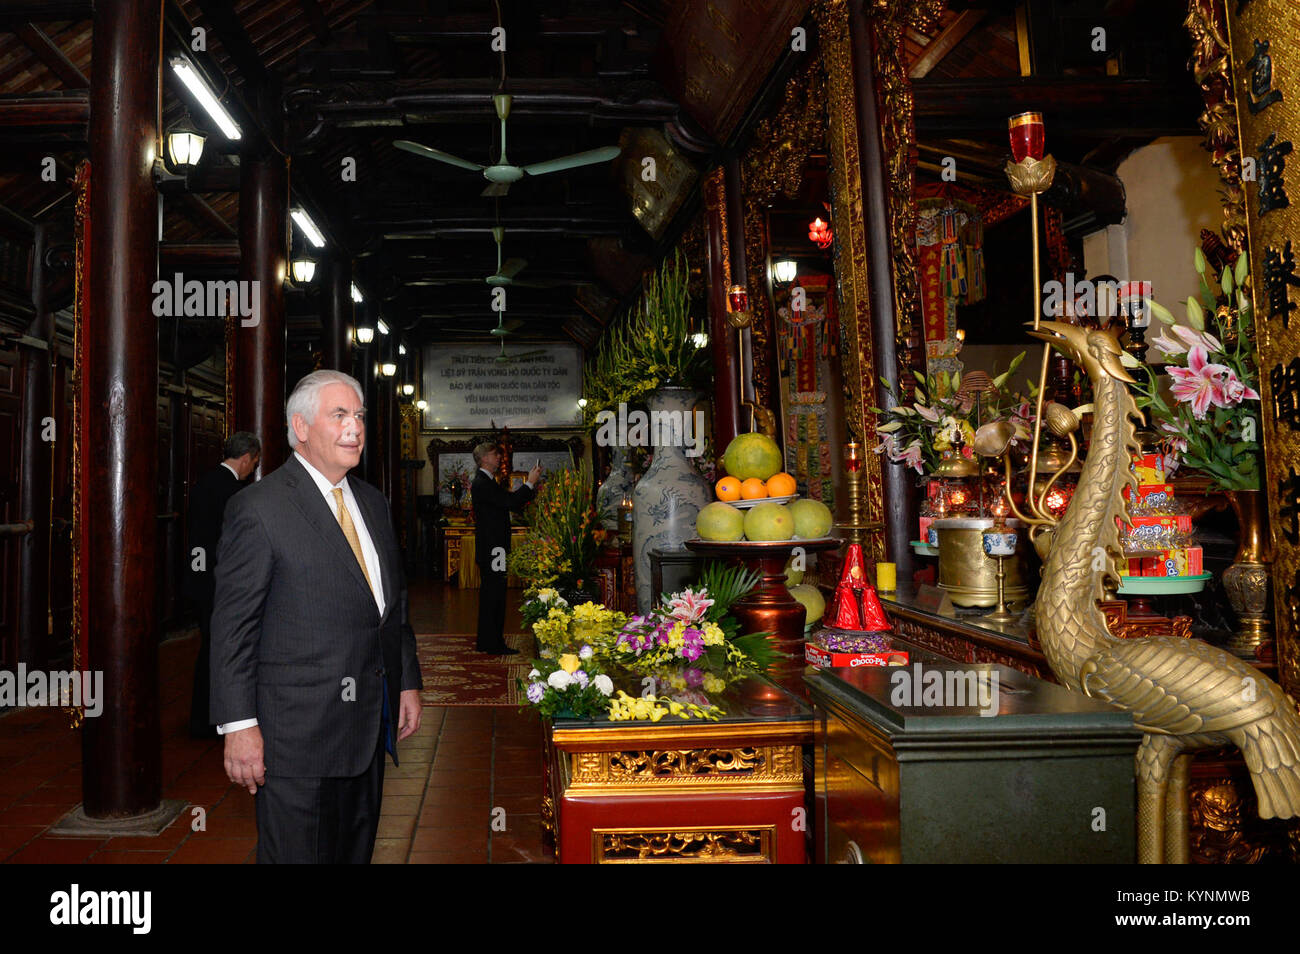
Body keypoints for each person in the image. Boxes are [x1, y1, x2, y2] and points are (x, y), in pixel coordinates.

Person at [210, 370, 423, 864]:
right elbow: (233, 628)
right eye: (340, 415)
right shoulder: (259, 509)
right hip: (296, 741)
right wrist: (239, 726)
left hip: (367, 727)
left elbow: (393, 605)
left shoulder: (372, 502)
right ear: (301, 427)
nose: (356, 428)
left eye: (360, 416)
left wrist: (406, 679)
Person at [183, 431, 261, 739]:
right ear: (245, 459)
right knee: (224, 651)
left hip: (201, 581)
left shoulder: (204, 482)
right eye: (253, 463)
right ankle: (214, 719)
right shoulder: (233, 492)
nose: (252, 469)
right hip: (221, 585)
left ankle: (201, 718)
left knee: (208, 649)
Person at [470, 442, 542, 654]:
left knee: (493, 594)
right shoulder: (483, 483)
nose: (499, 458)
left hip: (495, 548)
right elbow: (509, 501)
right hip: (494, 549)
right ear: (484, 459)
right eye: (495, 455)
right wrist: (529, 483)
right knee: (495, 594)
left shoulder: (487, 481)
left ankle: (488, 641)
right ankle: (492, 643)